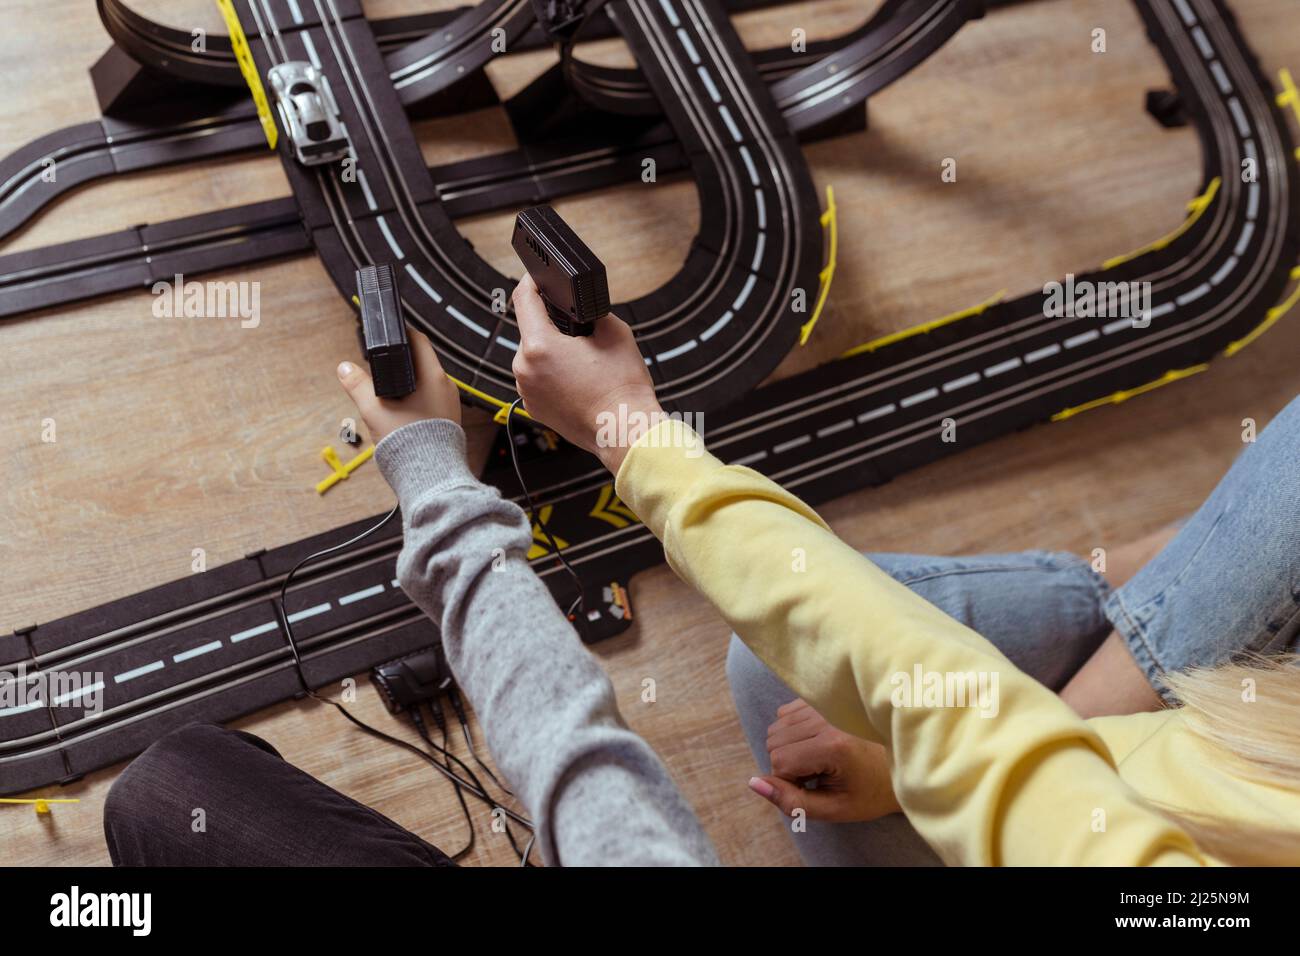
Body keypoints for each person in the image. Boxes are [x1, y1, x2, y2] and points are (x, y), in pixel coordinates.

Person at [105, 276, 1300, 866]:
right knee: (770, 676)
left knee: (164, 794)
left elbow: (585, 774)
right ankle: (1146, 588)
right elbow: (1034, 785)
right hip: (1137, 788)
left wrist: (552, 448)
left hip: (1095, 807)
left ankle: (1144, 593)